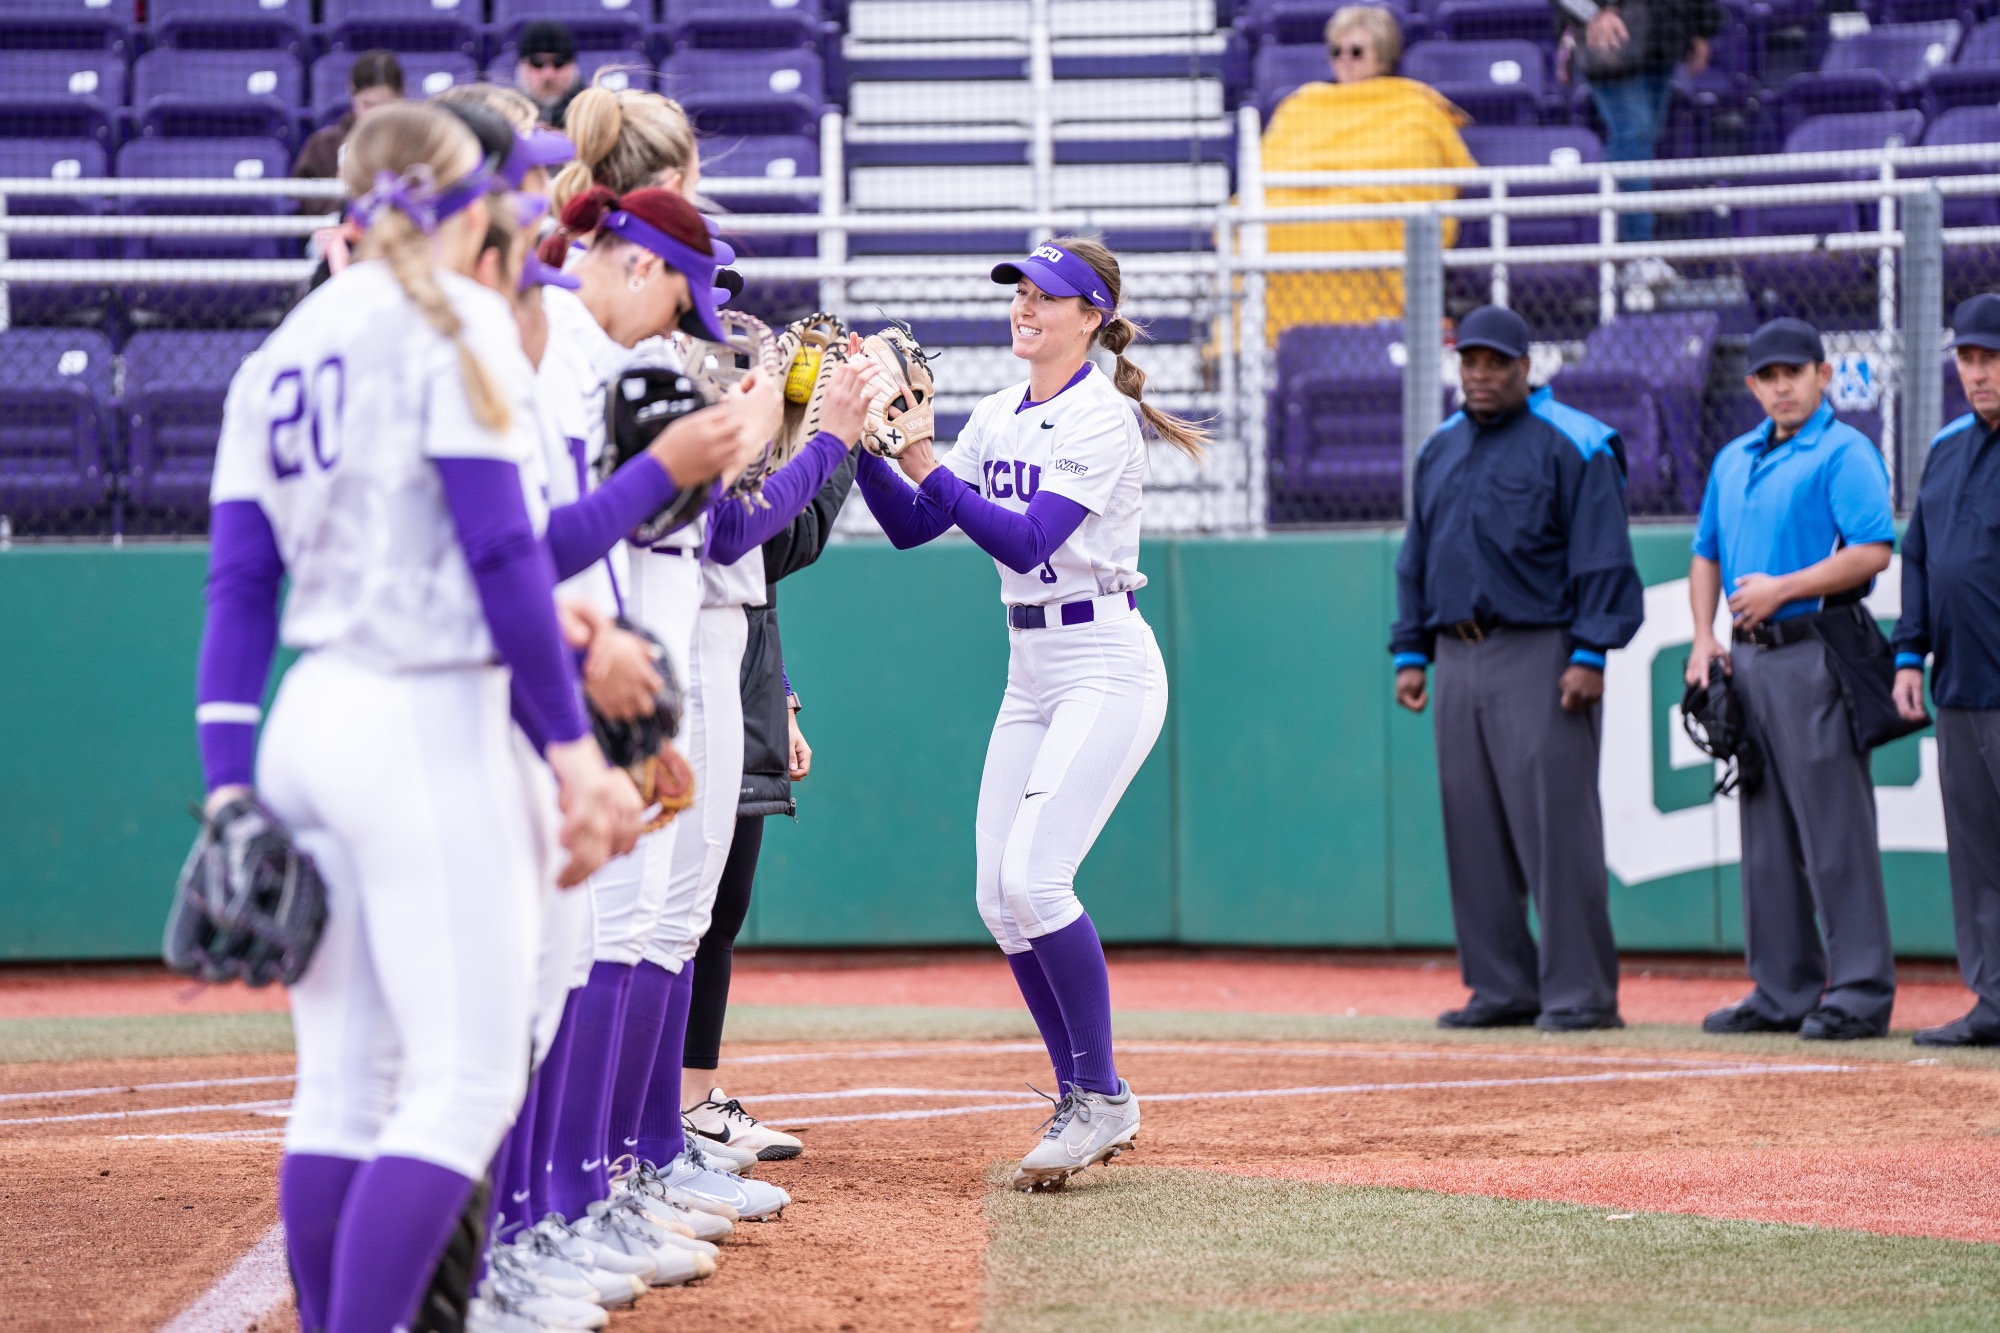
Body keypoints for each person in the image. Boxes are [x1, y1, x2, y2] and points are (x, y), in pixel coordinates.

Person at [194, 101, 641, 1331]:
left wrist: (226, 778)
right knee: (460, 1082)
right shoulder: (459, 327)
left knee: (341, 1090)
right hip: (424, 713)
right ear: (463, 204)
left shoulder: (281, 348)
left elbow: (238, 587)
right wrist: (571, 756)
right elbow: (503, 556)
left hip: (305, 715)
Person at [854, 236, 1203, 1191]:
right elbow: (915, 523)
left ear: (1091, 317)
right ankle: (1084, 1093)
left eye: (1047, 297)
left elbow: (1025, 539)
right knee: (995, 894)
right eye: (1020, 292)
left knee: (1037, 880)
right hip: (1032, 665)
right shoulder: (1002, 410)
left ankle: (1100, 1094)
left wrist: (923, 457)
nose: (1025, 307)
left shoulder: (1103, 417)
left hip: (1103, 661)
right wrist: (849, 445)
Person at [1390, 305, 1643, 1033]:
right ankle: (1502, 986)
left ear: (1527, 367)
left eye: (1495, 361)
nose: (1479, 373)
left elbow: (1602, 557)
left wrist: (1591, 651)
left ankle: (1581, 993)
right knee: (1472, 828)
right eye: (1469, 360)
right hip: (1456, 654)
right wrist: (1412, 651)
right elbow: (1418, 559)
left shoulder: (1578, 441)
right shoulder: (1439, 447)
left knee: (1555, 829)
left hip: (1543, 651)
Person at [1692, 317, 1898, 1041]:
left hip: (1815, 648)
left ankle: (1862, 990)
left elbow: (1873, 551)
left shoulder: (1845, 450)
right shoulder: (1733, 458)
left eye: (1795, 372)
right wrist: (1701, 635)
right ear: (1751, 385)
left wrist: (1783, 587)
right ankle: (1781, 988)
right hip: (1746, 659)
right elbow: (1705, 552)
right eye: (1768, 376)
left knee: (1834, 827)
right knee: (1767, 831)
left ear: (1822, 374)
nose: (1782, 386)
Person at [678, 423, 856, 1164]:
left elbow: (759, 580)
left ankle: (687, 1103)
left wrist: (779, 695)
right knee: (673, 919)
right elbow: (774, 539)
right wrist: (842, 441)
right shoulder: (683, 409)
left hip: (734, 677)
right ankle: (666, 1116)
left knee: (717, 909)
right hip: (685, 674)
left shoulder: (721, 423)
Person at [1894, 294, 2000, 1048]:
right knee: (1977, 856)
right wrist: (1908, 650)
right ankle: (1993, 999)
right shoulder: (1947, 447)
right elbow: (1921, 556)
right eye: (1967, 357)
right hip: (1960, 685)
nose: (1978, 372)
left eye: (1991, 357)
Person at [1261, 5, 1474, 335]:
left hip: (1374, 203)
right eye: (1337, 51)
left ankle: (1377, 329)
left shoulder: (1412, 104)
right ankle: (1274, 336)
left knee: (1354, 218)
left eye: (1357, 51)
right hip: (1300, 200)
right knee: (1261, 224)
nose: (1344, 59)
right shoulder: (1303, 104)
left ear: (1383, 58)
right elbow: (1272, 167)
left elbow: (1413, 168)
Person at [1551, 0, 1719, 242]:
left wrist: (1700, 28)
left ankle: (1621, 241)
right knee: (1634, 135)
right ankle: (1634, 250)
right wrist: (1598, 12)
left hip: (1664, 36)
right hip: (1609, 39)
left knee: (1644, 137)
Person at [293, 50, 402, 179]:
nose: (375, 114)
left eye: (385, 106)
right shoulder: (324, 145)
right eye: (367, 104)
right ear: (351, 89)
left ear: (401, 96)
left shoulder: (413, 145)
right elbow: (300, 197)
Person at [516, 21, 583, 128]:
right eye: (537, 63)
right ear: (522, 66)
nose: (548, 75)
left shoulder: (589, 113)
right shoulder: (507, 115)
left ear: (573, 65)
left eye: (558, 63)